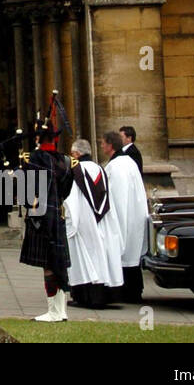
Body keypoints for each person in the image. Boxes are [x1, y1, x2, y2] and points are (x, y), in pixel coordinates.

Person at [19, 116, 74, 322]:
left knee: (48, 264)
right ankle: (61, 310)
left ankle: (53, 311)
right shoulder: (67, 161)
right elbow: (66, 190)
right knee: (58, 260)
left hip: (40, 216)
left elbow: (27, 189)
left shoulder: (35, 158)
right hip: (57, 214)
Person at [65, 138, 123, 309]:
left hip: (83, 220)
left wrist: (69, 220)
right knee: (100, 256)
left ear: (76, 154)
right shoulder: (100, 169)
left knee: (84, 259)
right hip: (100, 219)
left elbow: (71, 198)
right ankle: (102, 295)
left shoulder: (76, 170)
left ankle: (85, 296)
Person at [103, 131, 149, 303]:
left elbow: (117, 198)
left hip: (124, 218)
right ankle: (133, 291)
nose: (101, 146)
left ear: (110, 146)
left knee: (124, 254)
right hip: (134, 216)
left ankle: (124, 292)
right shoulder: (128, 162)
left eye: (103, 143)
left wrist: (114, 224)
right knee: (131, 256)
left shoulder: (117, 167)